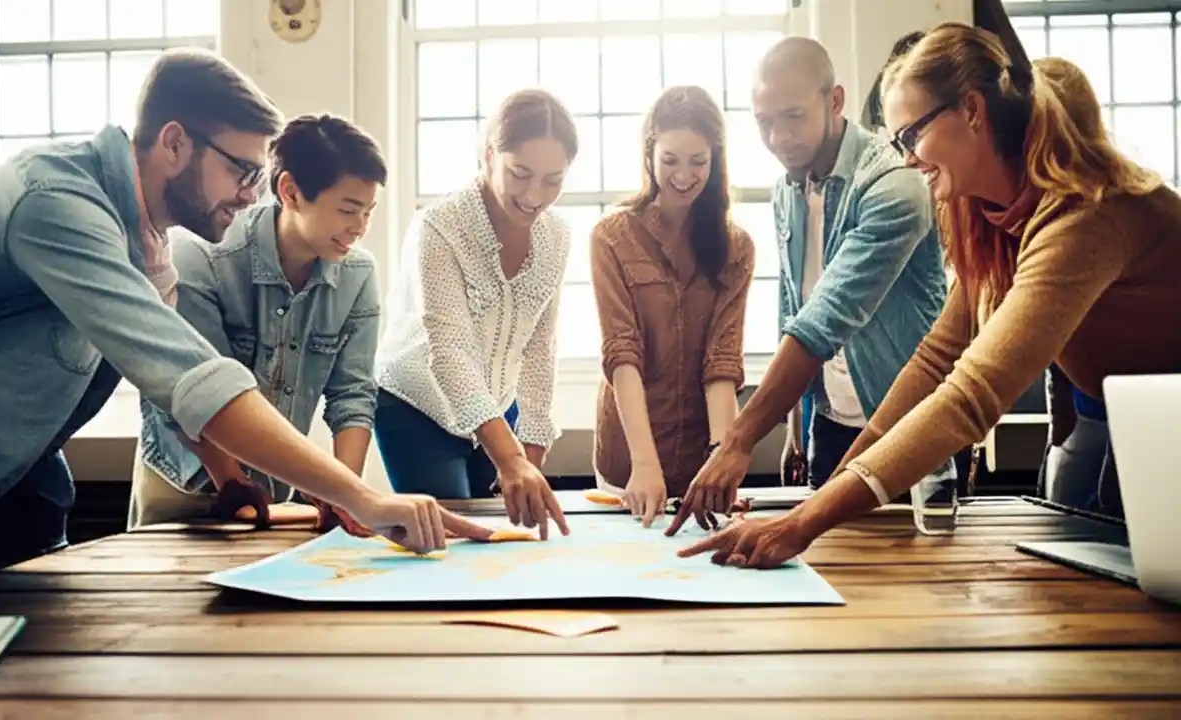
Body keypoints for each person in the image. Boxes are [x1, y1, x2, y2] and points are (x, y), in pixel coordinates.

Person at [0, 49, 484, 581]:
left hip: (17, 479)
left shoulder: (148, 245)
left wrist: (237, 481)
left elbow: (183, 392)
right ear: (175, 143)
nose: (251, 194)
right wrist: (362, 498)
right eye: (242, 171)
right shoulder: (56, 203)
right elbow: (192, 377)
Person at [679, 24, 1181, 568]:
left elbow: (972, 394)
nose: (906, 158)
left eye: (911, 135)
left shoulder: (1084, 216)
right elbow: (937, 358)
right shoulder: (983, 210)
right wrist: (828, 495)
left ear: (972, 111)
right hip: (1107, 410)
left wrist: (804, 522)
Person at [666, 38, 947, 534]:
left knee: (915, 576)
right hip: (832, 425)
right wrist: (797, 428)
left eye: (793, 116)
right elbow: (794, 305)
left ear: (834, 101)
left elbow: (826, 318)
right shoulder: (788, 187)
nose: (778, 137)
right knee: (827, 568)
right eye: (764, 122)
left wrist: (737, 441)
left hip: (909, 427)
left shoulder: (895, 186)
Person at [129, 114, 386, 533]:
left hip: (274, 493)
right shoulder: (204, 256)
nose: (359, 228)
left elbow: (353, 395)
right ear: (290, 191)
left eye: (368, 213)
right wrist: (232, 481)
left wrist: (345, 495)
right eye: (347, 210)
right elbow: (188, 387)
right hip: (186, 485)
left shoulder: (357, 275)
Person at [374, 89, 577, 540]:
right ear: (488, 155)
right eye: (520, 174)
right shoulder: (438, 228)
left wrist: (531, 452)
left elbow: (540, 347)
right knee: (448, 538)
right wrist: (510, 459)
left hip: (500, 404)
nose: (535, 195)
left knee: (511, 535)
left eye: (553, 180)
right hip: (416, 406)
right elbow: (449, 352)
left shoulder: (557, 237)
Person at [590, 85, 754, 527]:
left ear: (715, 159)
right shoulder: (611, 237)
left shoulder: (736, 246)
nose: (683, 175)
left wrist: (721, 458)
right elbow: (622, 353)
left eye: (698, 161)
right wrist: (645, 464)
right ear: (649, 155)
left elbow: (722, 362)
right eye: (670, 160)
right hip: (628, 462)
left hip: (698, 460)